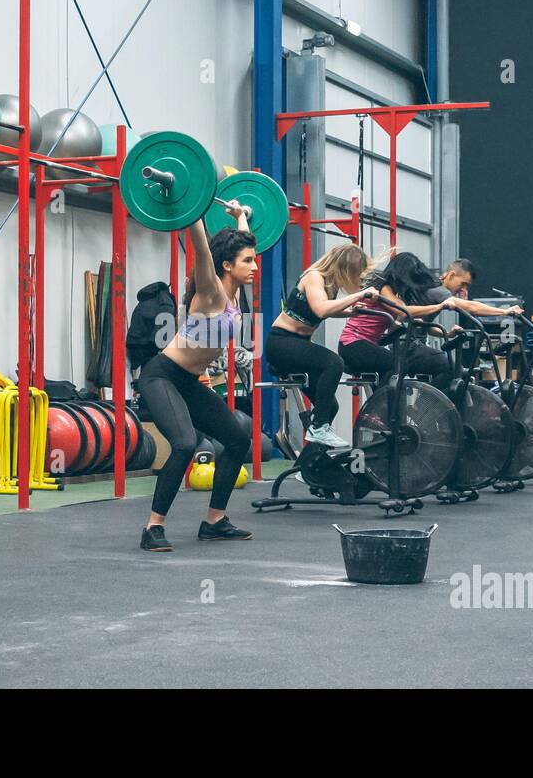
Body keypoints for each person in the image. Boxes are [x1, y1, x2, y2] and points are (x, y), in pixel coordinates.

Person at [135, 204, 256, 552]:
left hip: (190, 382)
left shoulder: (233, 294)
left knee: (237, 440)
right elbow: (202, 249)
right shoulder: (211, 291)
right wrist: (194, 209)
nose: (255, 265)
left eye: (253, 259)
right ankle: (153, 528)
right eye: (248, 261)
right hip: (162, 376)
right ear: (227, 266)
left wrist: (240, 217)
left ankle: (214, 521)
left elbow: (246, 242)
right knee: (185, 444)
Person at [338, 253, 520, 389]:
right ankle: (424, 408)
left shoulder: (402, 291)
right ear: (451, 275)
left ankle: (420, 407)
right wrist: (505, 311)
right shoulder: (435, 291)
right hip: (387, 345)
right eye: (463, 284)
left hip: (392, 343)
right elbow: (406, 312)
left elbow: (417, 321)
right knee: (447, 367)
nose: (463, 290)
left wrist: (447, 334)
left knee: (448, 368)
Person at [263, 242, 376, 448]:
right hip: (281, 343)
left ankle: (306, 465)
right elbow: (321, 310)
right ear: (344, 267)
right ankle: (319, 427)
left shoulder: (329, 285)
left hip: (298, 343)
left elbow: (324, 309)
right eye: (355, 273)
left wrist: (350, 312)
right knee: (333, 362)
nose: (357, 279)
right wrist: (358, 296)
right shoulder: (314, 276)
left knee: (330, 407)